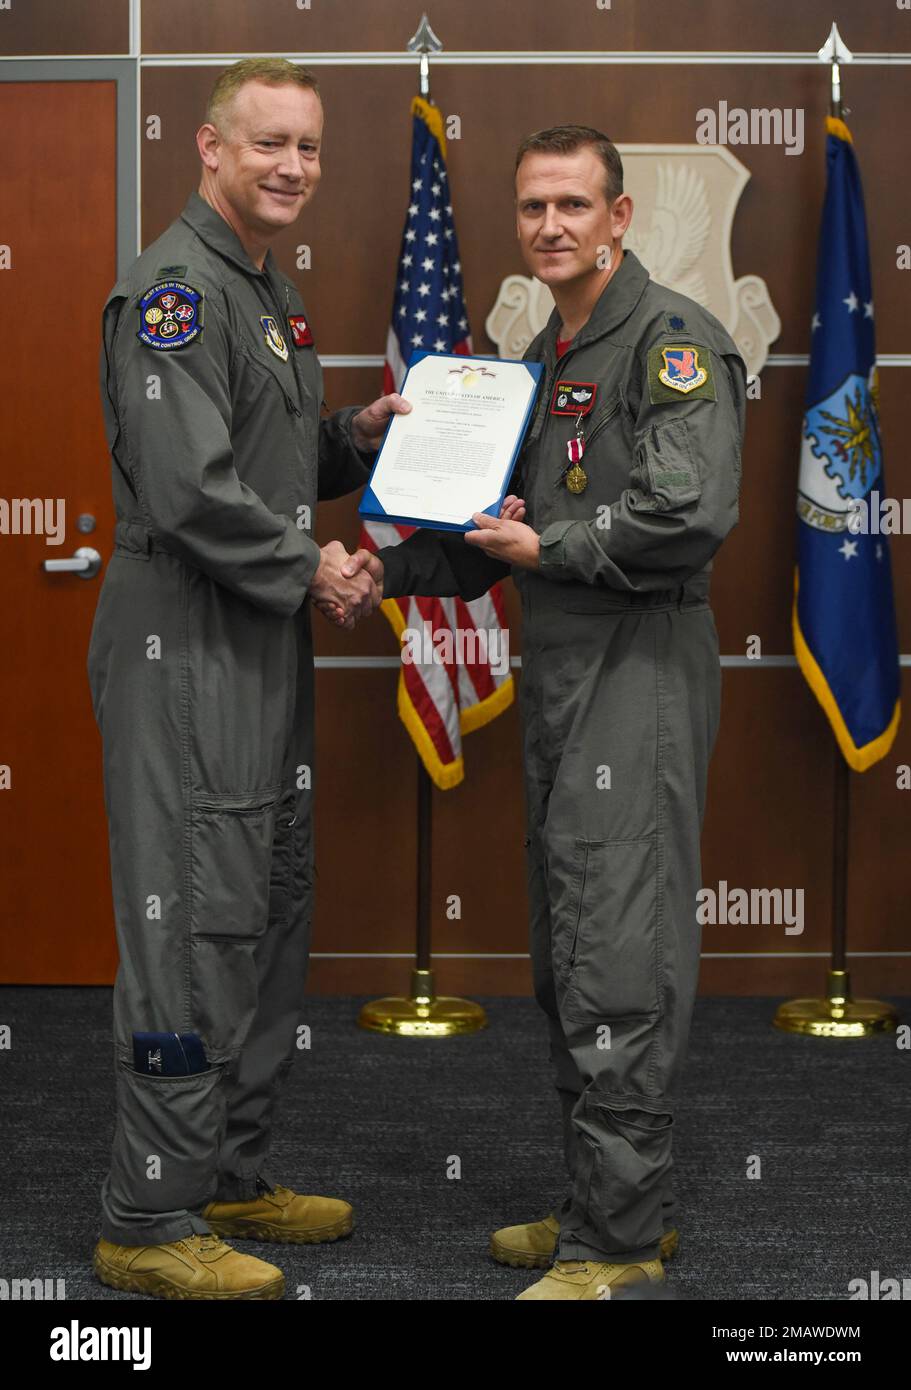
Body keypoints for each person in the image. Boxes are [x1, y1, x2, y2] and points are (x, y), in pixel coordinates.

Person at [343, 125, 746, 1300]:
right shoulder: (540, 352)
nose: (550, 226)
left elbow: (689, 510)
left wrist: (549, 542)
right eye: (531, 207)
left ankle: (617, 1248)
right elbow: (485, 530)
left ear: (619, 218)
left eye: (574, 205)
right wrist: (385, 569)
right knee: (570, 946)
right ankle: (604, 1208)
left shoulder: (671, 343)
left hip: (640, 670)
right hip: (570, 673)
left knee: (618, 948)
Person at [87, 57, 406, 1300]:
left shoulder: (259, 289)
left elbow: (255, 460)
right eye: (267, 143)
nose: (290, 167)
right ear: (208, 148)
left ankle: (221, 1171)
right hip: (186, 631)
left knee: (262, 898)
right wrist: (309, 564)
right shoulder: (176, 287)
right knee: (191, 913)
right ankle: (148, 1219)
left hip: (253, 627)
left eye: (309, 148)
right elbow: (185, 489)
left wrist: (353, 439)